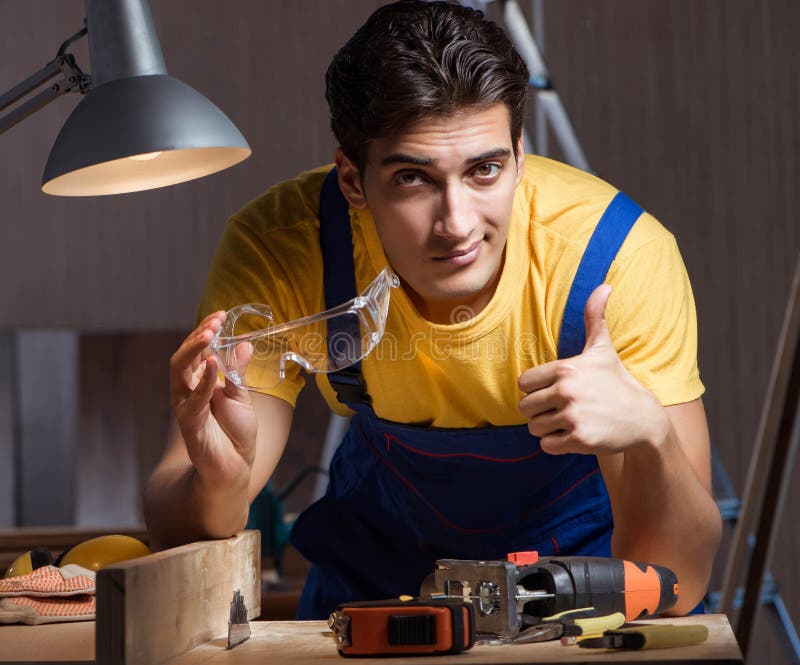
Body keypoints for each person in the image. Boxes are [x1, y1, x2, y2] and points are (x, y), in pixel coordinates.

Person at [144, 0, 721, 619]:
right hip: (375, 586)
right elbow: (176, 530)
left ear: (520, 158)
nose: (457, 224)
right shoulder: (287, 247)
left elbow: (674, 583)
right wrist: (219, 490)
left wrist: (652, 435)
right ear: (352, 180)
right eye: (413, 179)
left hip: (571, 590)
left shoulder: (616, 260)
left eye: (485, 170)